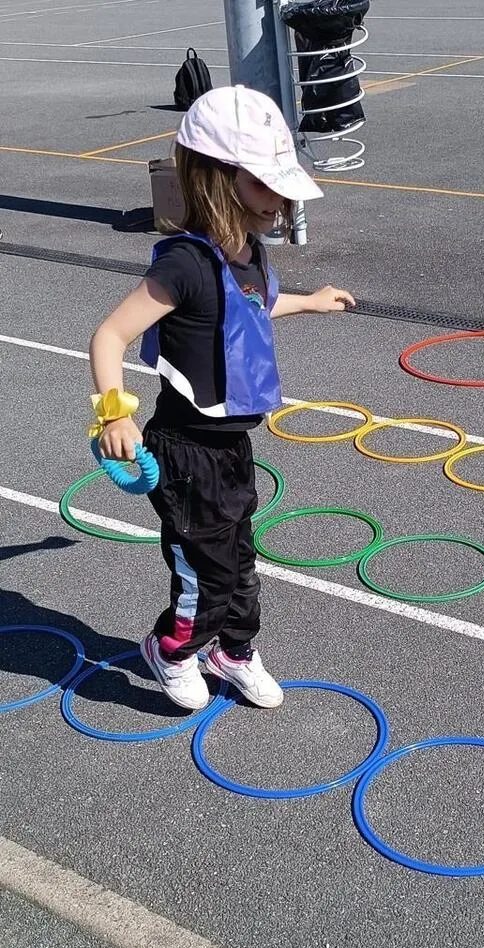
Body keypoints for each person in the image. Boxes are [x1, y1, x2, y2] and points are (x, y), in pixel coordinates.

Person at [88, 85, 354, 711]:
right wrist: (113, 414)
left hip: (230, 445)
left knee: (240, 565)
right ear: (216, 178)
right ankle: (172, 649)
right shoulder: (183, 263)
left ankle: (231, 652)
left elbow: (250, 311)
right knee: (202, 576)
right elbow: (110, 334)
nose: (279, 201)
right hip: (182, 453)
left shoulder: (251, 255)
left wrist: (309, 301)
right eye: (265, 186)